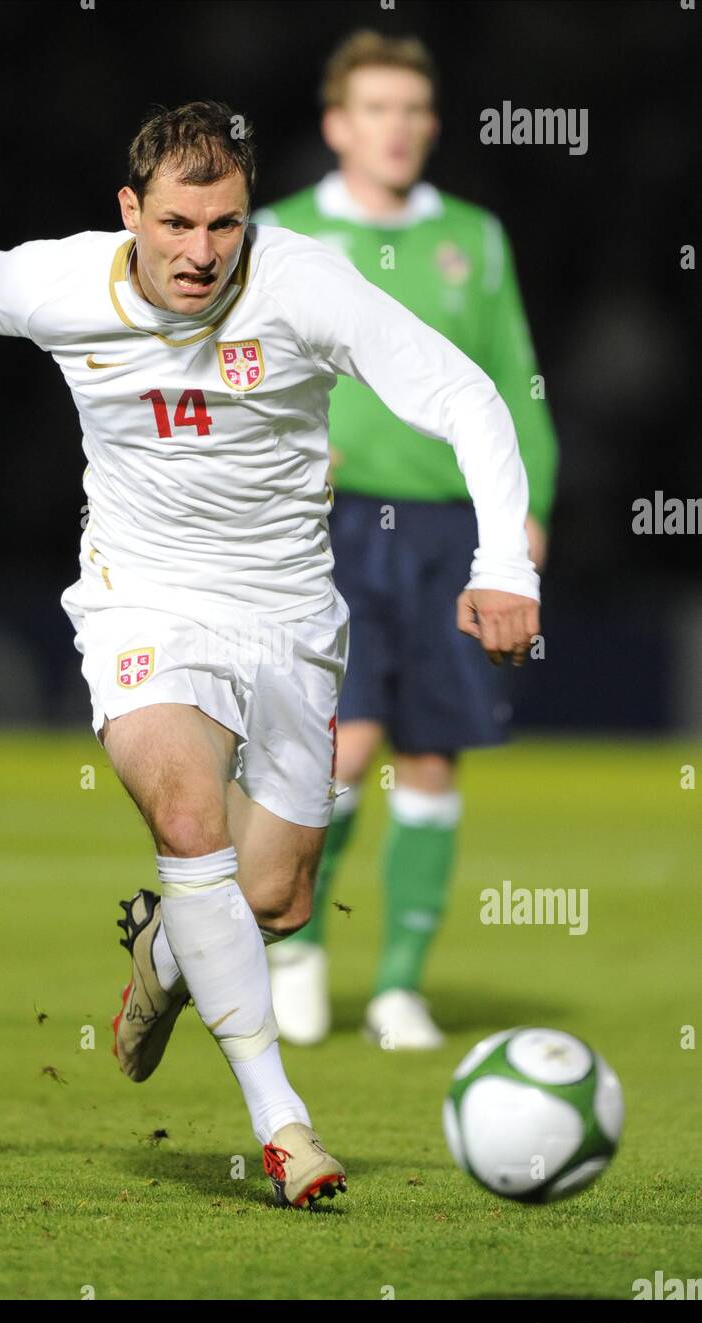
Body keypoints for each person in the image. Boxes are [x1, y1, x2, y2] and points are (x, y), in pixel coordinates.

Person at [0, 100, 540, 1208]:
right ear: (130, 210)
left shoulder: (303, 283)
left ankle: (171, 951)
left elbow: (469, 397)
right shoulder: (62, 281)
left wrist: (504, 568)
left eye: (224, 225)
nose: (200, 254)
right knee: (188, 824)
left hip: (285, 614)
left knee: (273, 900)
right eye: (177, 224)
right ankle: (283, 1126)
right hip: (138, 599)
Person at [255, 34, 557, 1050]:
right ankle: (296, 950)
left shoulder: (473, 236)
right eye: (375, 108)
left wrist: (527, 513)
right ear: (338, 124)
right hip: (328, 526)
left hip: (450, 526)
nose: (396, 127)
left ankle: (396, 988)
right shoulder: (279, 233)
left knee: (433, 754)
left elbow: (516, 380)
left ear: (429, 124)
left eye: (412, 109)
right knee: (342, 749)